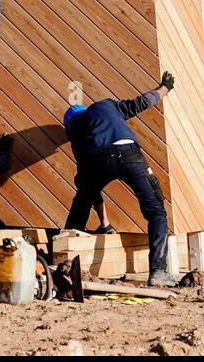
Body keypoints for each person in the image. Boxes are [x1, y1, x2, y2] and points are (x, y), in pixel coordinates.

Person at [63, 72, 178, 287]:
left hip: (98, 161)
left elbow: (86, 182)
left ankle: (66, 260)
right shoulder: (105, 106)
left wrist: (104, 223)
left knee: (83, 196)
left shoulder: (75, 132)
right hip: (130, 154)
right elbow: (140, 103)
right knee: (156, 212)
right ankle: (158, 272)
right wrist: (164, 89)